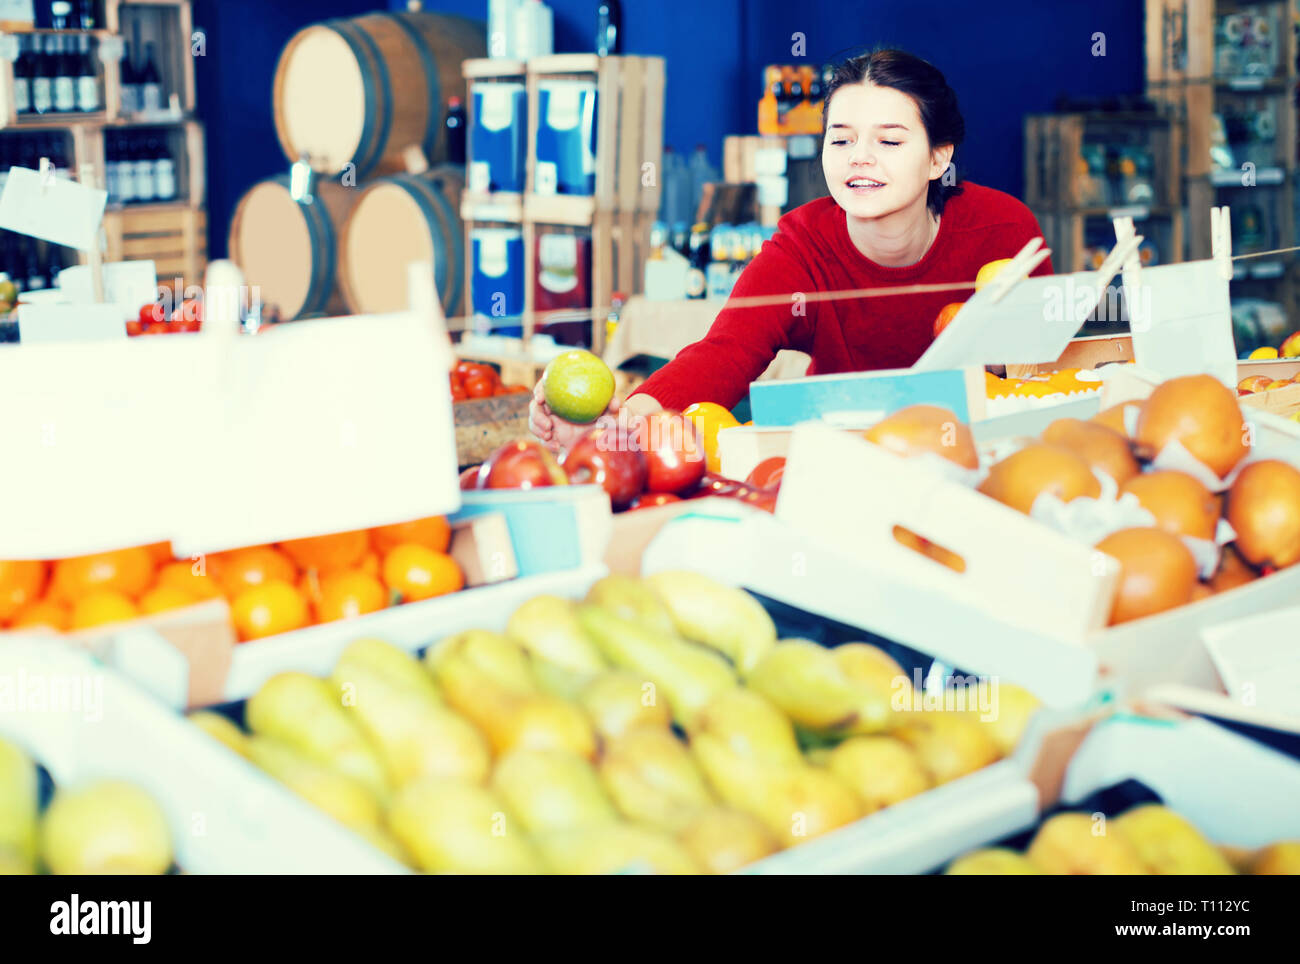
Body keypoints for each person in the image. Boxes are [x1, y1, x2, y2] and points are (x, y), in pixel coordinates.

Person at [530, 48, 1053, 451]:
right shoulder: (802, 248)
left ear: (939, 156)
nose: (860, 159)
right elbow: (725, 354)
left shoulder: (1004, 231)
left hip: (983, 453)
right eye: (841, 139)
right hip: (842, 460)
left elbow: (1051, 362)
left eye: (889, 142)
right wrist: (625, 422)